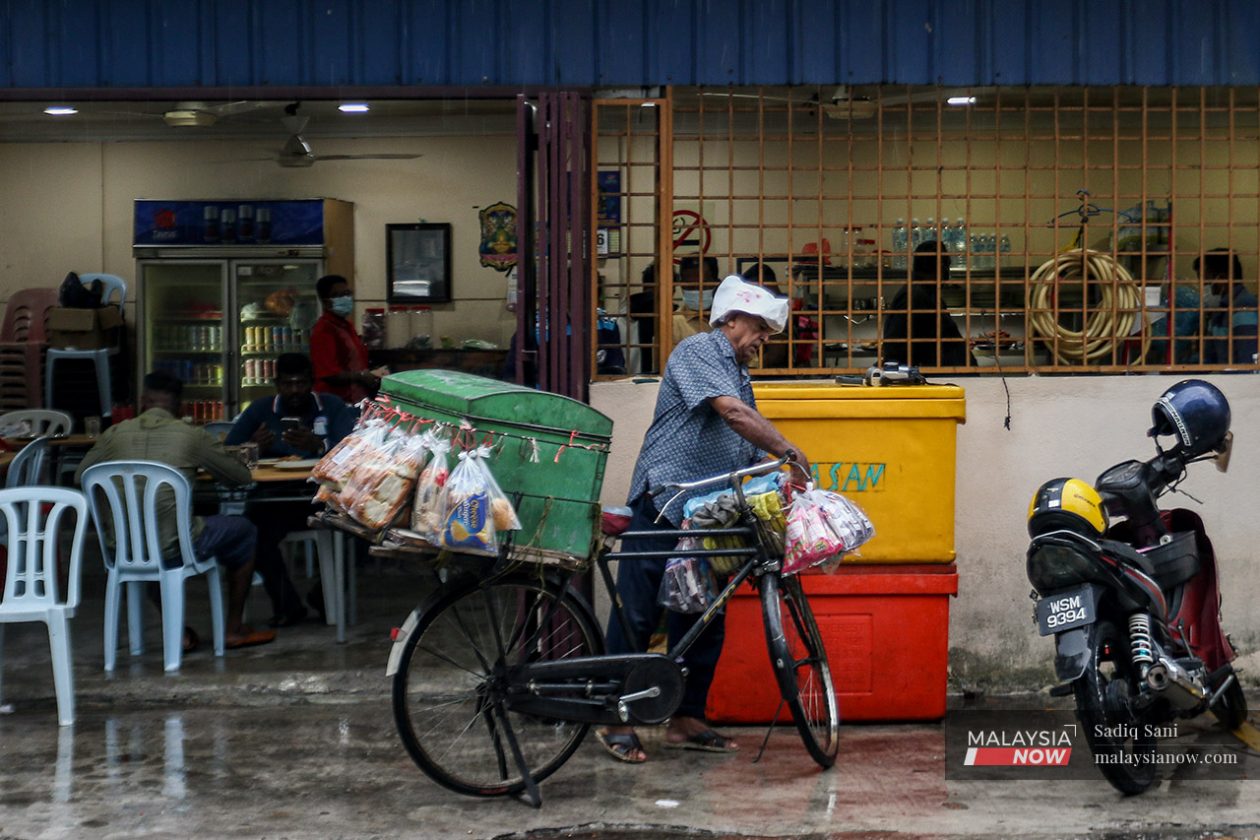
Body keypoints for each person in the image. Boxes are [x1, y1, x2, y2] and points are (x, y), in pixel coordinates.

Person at [598, 274, 812, 764]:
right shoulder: (698, 351)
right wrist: (789, 451)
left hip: (708, 513)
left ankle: (687, 717)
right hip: (665, 501)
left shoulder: (736, 368)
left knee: (702, 613)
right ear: (730, 319)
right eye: (758, 328)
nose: (762, 340)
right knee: (638, 612)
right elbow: (734, 415)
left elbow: (737, 439)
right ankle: (615, 716)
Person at [74, 371, 276, 651]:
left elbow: (82, 476)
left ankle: (178, 632)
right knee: (244, 530)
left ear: (143, 401)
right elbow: (240, 477)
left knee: (144, 538)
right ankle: (233, 629)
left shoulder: (113, 434)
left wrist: (113, 508)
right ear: (180, 407)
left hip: (123, 546)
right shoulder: (191, 436)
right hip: (176, 547)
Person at [225, 353, 358, 625]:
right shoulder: (261, 410)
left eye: (301, 383)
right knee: (253, 534)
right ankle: (287, 605)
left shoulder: (331, 406)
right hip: (273, 498)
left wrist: (319, 447)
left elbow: (353, 451)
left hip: (322, 496)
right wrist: (253, 447)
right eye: (288, 384)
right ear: (277, 384)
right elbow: (228, 456)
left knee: (359, 530)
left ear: (311, 382)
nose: (295, 390)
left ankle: (323, 596)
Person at [881, 240, 968, 367]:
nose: (947, 274)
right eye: (946, 265)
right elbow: (897, 351)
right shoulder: (916, 297)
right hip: (931, 379)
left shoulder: (926, 294)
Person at [310, 274, 379, 403]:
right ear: (326, 302)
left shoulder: (346, 326)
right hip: (335, 403)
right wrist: (361, 376)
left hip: (356, 399)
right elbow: (329, 374)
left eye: (347, 293)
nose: (345, 298)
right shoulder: (324, 330)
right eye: (338, 295)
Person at [742, 262, 820, 368]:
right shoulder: (783, 304)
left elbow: (776, 353)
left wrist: (752, 371)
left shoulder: (781, 309)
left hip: (781, 372)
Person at [1197, 249, 1259, 366]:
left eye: (1206, 280)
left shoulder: (1243, 307)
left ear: (1222, 278)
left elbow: (1247, 362)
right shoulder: (1219, 311)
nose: (1203, 286)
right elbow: (1207, 359)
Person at [673, 255, 720, 344]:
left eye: (701, 285)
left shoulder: (728, 319)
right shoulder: (675, 324)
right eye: (690, 286)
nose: (696, 290)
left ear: (716, 283)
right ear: (681, 285)